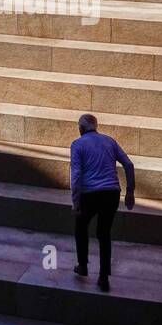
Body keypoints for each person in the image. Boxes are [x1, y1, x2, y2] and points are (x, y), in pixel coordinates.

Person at [71, 113, 135, 292]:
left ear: (81, 129)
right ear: (96, 126)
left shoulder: (77, 145)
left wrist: (75, 202)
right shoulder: (110, 141)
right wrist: (130, 192)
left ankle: (83, 265)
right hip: (111, 193)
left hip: (89, 194)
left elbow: (76, 175)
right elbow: (129, 165)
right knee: (104, 234)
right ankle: (103, 277)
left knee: (81, 227)